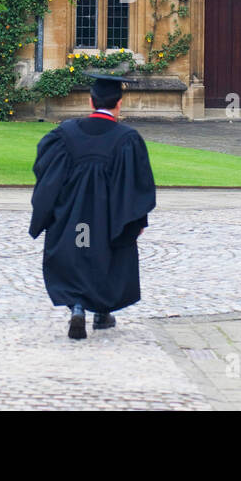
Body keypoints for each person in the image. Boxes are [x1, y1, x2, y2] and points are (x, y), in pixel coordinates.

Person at [29, 73, 157, 340]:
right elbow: (137, 186)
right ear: (119, 104)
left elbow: (45, 171)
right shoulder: (128, 139)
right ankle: (102, 312)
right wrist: (137, 222)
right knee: (107, 254)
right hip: (109, 218)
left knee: (78, 248)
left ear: (90, 102)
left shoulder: (65, 134)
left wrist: (49, 211)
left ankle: (77, 307)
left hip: (73, 217)